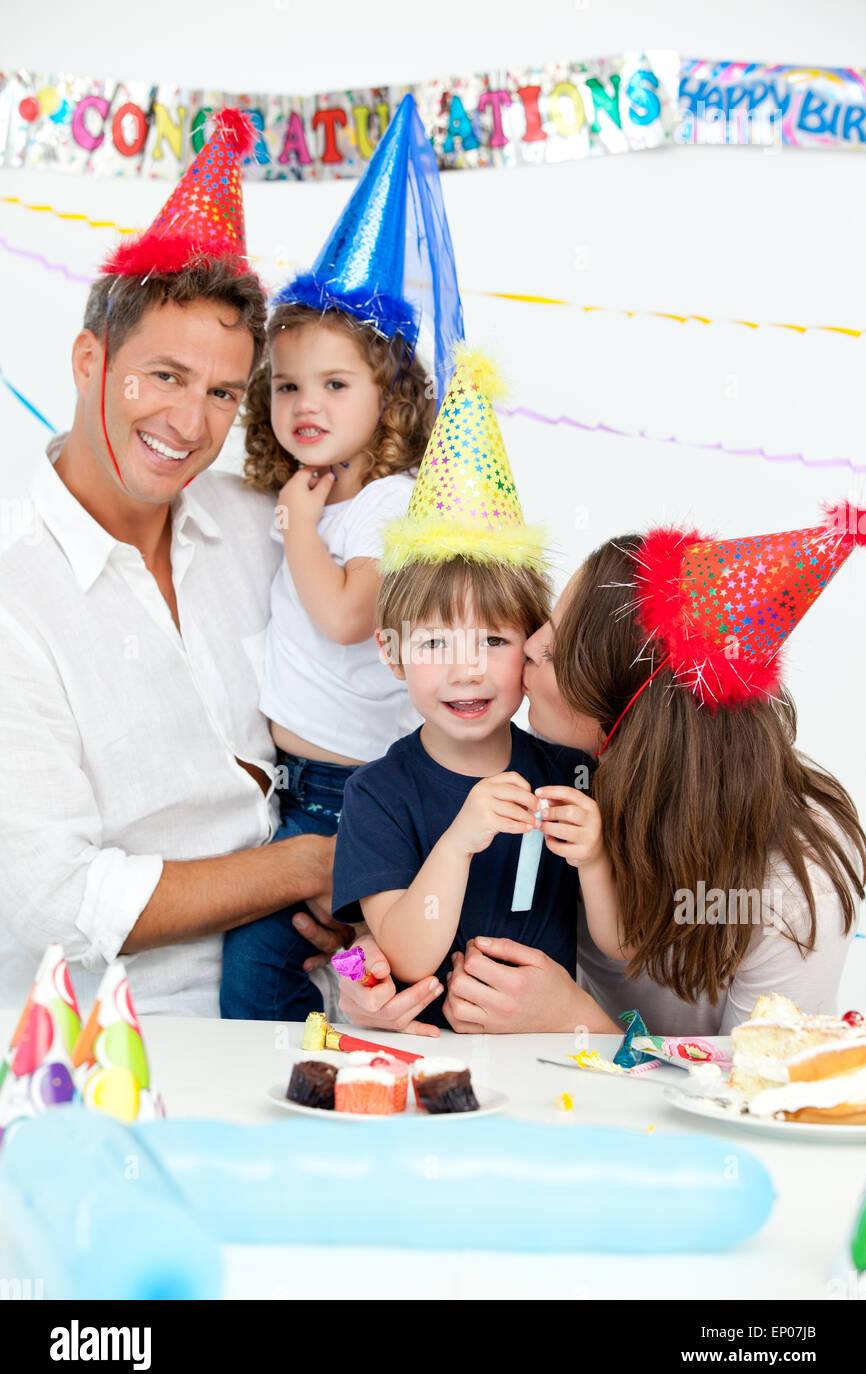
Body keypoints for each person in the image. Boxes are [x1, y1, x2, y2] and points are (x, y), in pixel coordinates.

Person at [0, 112, 347, 1017]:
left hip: (321, 1008)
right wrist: (303, 866)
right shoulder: (14, 597)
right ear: (90, 360)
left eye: (223, 391)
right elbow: (55, 903)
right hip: (119, 1043)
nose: (190, 426)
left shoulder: (263, 529)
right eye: (162, 376)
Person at [336, 513, 866, 1035]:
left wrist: (572, 1022)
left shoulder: (796, 888)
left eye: (557, 643)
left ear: (620, 711)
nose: (531, 645)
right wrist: (363, 966)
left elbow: (752, 1094)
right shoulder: (582, 776)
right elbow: (392, 892)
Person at [219, 92, 463, 1020]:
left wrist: (295, 521)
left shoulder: (383, 505)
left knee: (290, 967)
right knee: (282, 967)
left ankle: (362, 1103)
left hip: (359, 790)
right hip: (294, 793)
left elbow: (348, 615)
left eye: (333, 383)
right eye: (285, 385)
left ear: (389, 395)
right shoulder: (328, 495)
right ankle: (295, 1102)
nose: (304, 404)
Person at [330, 351, 600, 1029]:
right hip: (424, 1058)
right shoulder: (379, 794)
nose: (466, 669)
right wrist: (457, 842)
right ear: (391, 653)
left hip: (549, 1061)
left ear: (534, 645)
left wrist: (596, 859)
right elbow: (407, 955)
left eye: (494, 641)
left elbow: (622, 947)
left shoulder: (573, 774)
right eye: (433, 644)